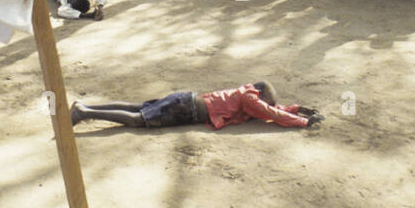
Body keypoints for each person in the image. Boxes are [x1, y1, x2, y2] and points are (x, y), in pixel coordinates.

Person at [70, 81, 322, 130]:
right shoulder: (250, 99)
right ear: (261, 96)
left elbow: (271, 111)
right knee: (138, 119)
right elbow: (269, 113)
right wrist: (302, 120)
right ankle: (84, 112)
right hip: (186, 109)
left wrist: (296, 108)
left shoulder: (246, 94)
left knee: (138, 108)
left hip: (186, 100)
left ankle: (86, 107)